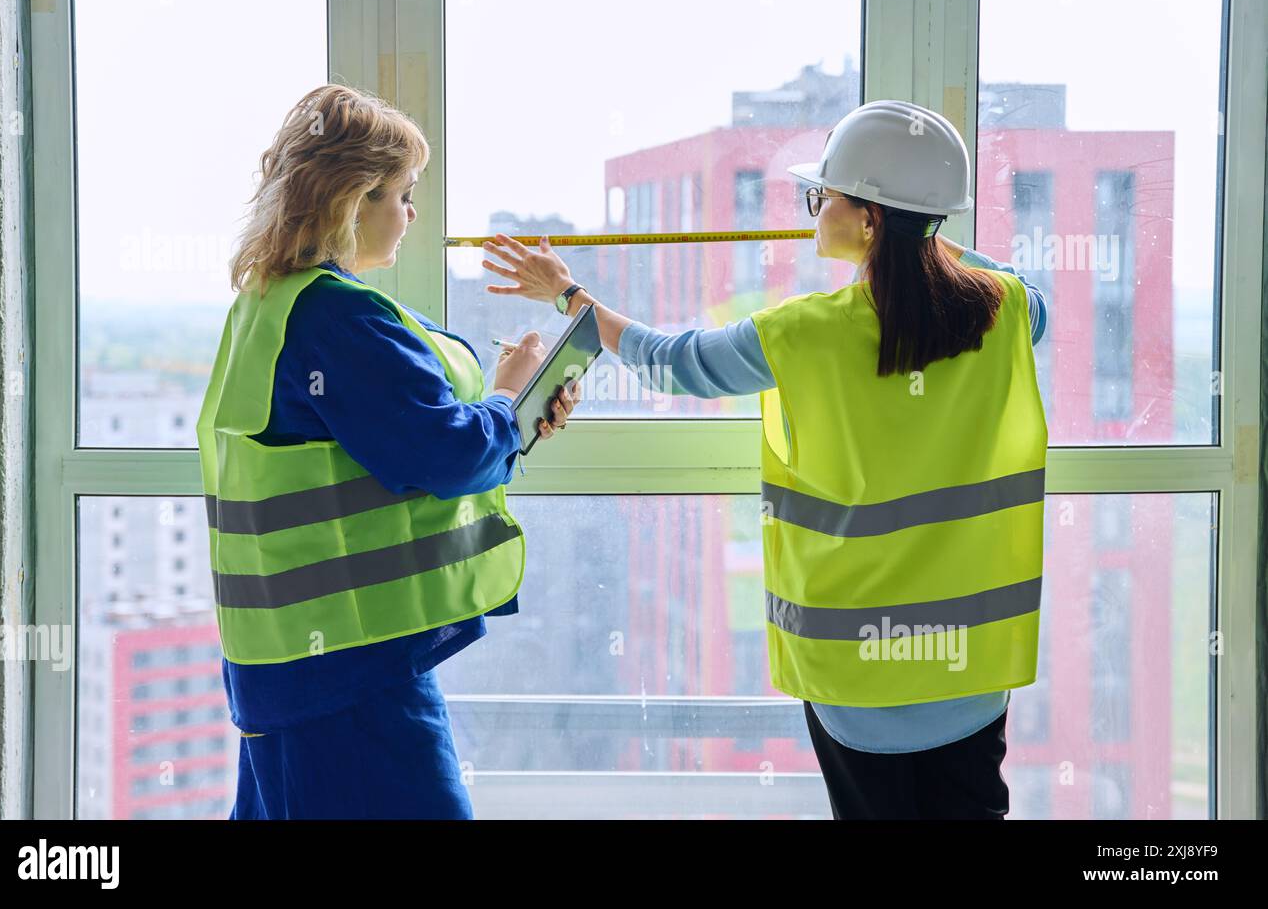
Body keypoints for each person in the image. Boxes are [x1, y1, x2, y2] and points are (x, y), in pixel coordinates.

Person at [481, 99, 1048, 819]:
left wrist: (567, 294)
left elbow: (672, 363)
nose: (812, 209)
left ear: (869, 217)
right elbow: (1035, 295)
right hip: (971, 667)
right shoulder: (1006, 312)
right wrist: (931, 234)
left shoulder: (804, 332)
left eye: (823, 196)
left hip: (856, 675)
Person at [196, 83, 576, 819]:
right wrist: (509, 399)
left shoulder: (271, 302)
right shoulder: (338, 316)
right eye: (402, 194)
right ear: (353, 198)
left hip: (291, 669)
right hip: (352, 677)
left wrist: (510, 421)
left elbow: (395, 442)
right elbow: (442, 453)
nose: (411, 214)